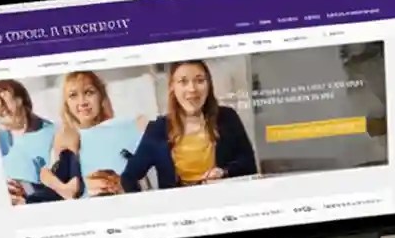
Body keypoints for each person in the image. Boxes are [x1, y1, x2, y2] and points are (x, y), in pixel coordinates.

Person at [121, 60, 256, 192]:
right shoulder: (158, 129)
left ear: (209, 85)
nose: (192, 89)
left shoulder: (227, 117)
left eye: (199, 80)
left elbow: (249, 165)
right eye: (183, 82)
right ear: (172, 87)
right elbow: (128, 177)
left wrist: (224, 172)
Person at [51, 71, 147, 197]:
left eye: (89, 92)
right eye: (73, 95)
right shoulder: (64, 139)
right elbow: (62, 190)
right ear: (66, 104)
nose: (82, 102)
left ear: (101, 96)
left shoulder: (129, 126)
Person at [0, 79, 70, 205]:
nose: (0, 106)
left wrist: (27, 195)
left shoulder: (55, 133)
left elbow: (62, 185)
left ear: (21, 100)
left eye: (4, 99)